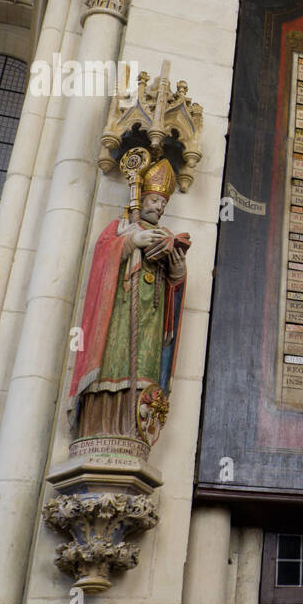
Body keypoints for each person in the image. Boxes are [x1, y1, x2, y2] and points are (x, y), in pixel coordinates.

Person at [70, 158, 188, 441]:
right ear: (142, 198)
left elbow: (175, 285)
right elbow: (101, 260)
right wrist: (131, 242)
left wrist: (178, 269)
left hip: (152, 318)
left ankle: (134, 430)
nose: (159, 207)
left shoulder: (166, 234)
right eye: (155, 201)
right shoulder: (121, 227)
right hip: (119, 314)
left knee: (145, 367)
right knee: (115, 363)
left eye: (163, 204)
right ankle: (99, 429)